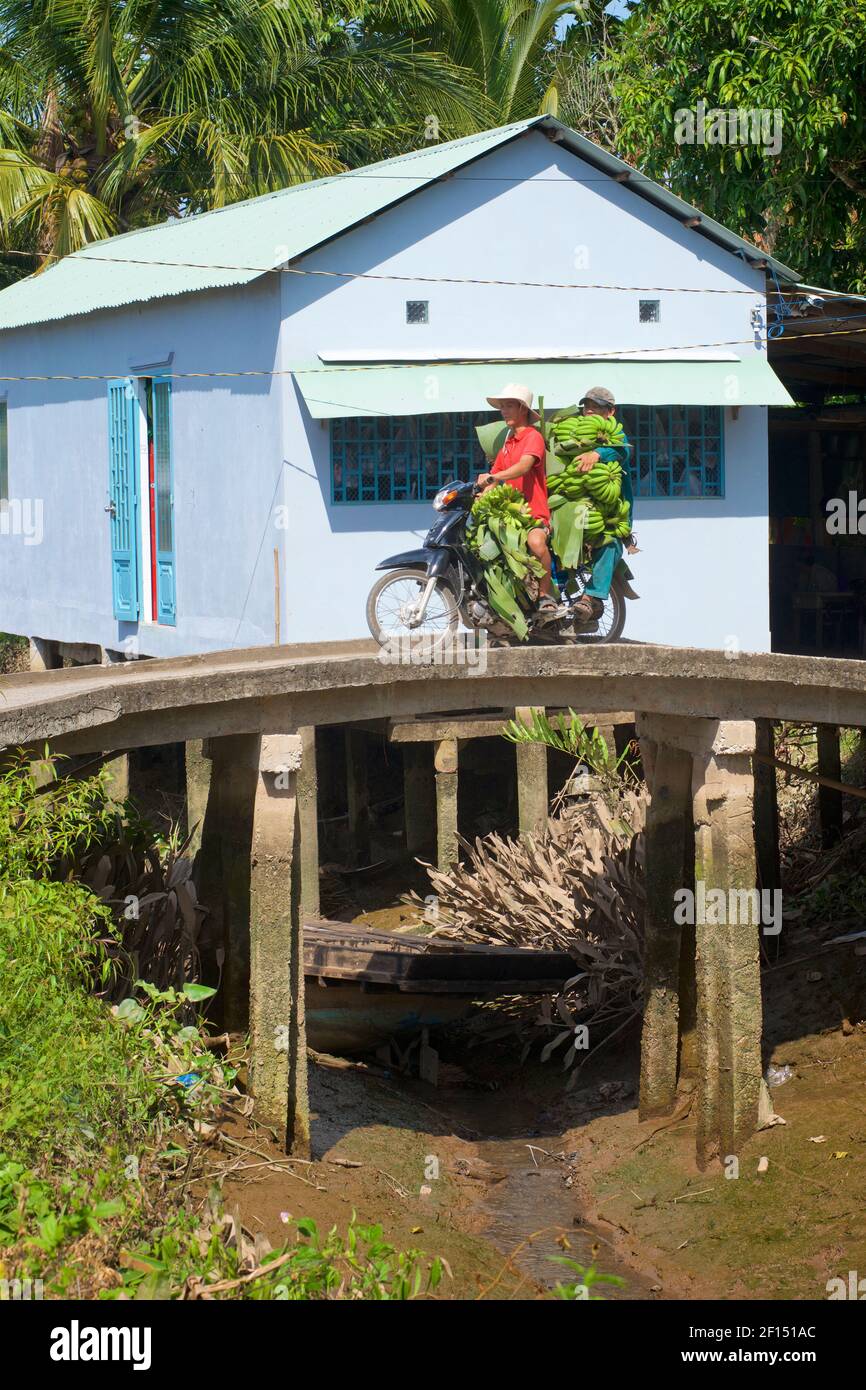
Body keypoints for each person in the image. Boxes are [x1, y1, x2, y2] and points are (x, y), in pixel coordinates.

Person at [477, 383, 561, 619]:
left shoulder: (533, 437)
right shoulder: (507, 441)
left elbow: (523, 467)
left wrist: (494, 476)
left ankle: (547, 595)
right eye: (501, 407)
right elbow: (495, 475)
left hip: (533, 515)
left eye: (509, 406)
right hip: (508, 515)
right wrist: (480, 494)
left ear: (522, 408)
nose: (503, 411)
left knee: (535, 543)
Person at [569, 385, 637, 623]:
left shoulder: (616, 437)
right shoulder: (573, 436)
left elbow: (622, 450)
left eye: (596, 407)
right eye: (586, 406)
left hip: (610, 512)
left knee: (609, 545)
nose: (589, 411)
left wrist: (597, 454)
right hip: (574, 507)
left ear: (610, 412)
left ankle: (592, 595)